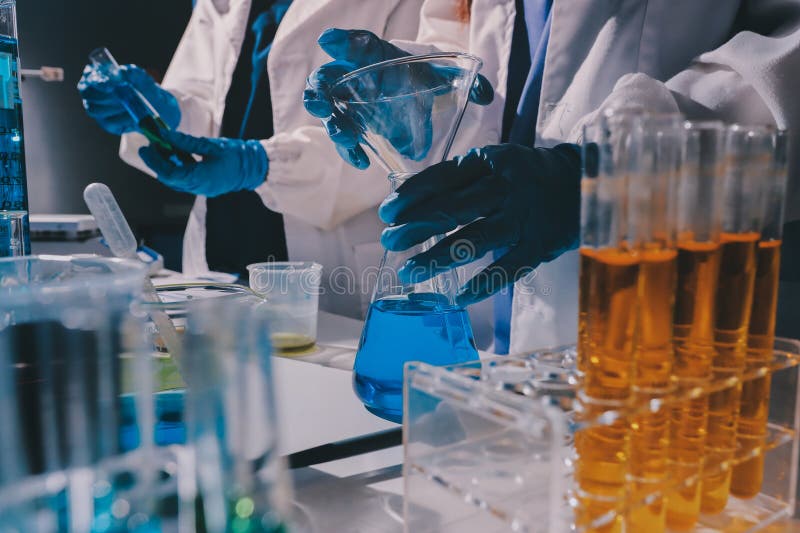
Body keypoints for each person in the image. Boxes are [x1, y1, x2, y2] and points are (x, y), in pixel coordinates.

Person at [306, 0, 800, 353]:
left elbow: (786, 52)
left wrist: (606, 172)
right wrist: (421, 93)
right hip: (494, 326)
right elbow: (473, 43)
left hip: (670, 288)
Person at [78, 0, 424, 319]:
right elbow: (208, 105)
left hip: (335, 267)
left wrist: (261, 164)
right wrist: (158, 111)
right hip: (219, 255)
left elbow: (414, 129)